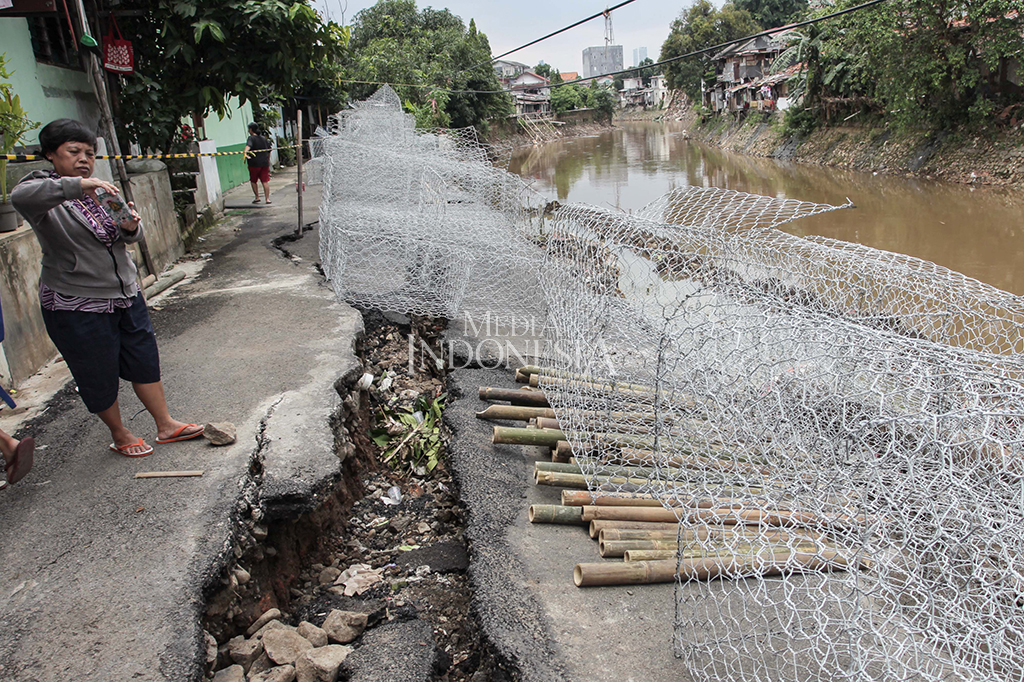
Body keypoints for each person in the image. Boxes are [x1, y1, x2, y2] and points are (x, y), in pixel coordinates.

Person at [10, 118, 203, 457]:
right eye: (74, 151)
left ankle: (166, 424)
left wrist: (130, 226)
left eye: (89, 153)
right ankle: (120, 432)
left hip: (125, 292)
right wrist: (75, 186)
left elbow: (125, 235)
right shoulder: (45, 191)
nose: (84, 159)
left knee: (144, 358)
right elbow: (20, 197)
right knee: (96, 370)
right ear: (51, 154)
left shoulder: (100, 190)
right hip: (76, 303)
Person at [243, 122, 272, 204]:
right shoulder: (264, 138)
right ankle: (267, 199)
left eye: (249, 129)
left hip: (254, 164)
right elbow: (269, 150)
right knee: (265, 181)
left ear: (251, 129)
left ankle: (257, 197)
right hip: (264, 163)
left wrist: (245, 153)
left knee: (253, 181)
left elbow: (248, 146)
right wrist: (268, 162)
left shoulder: (251, 138)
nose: (248, 130)